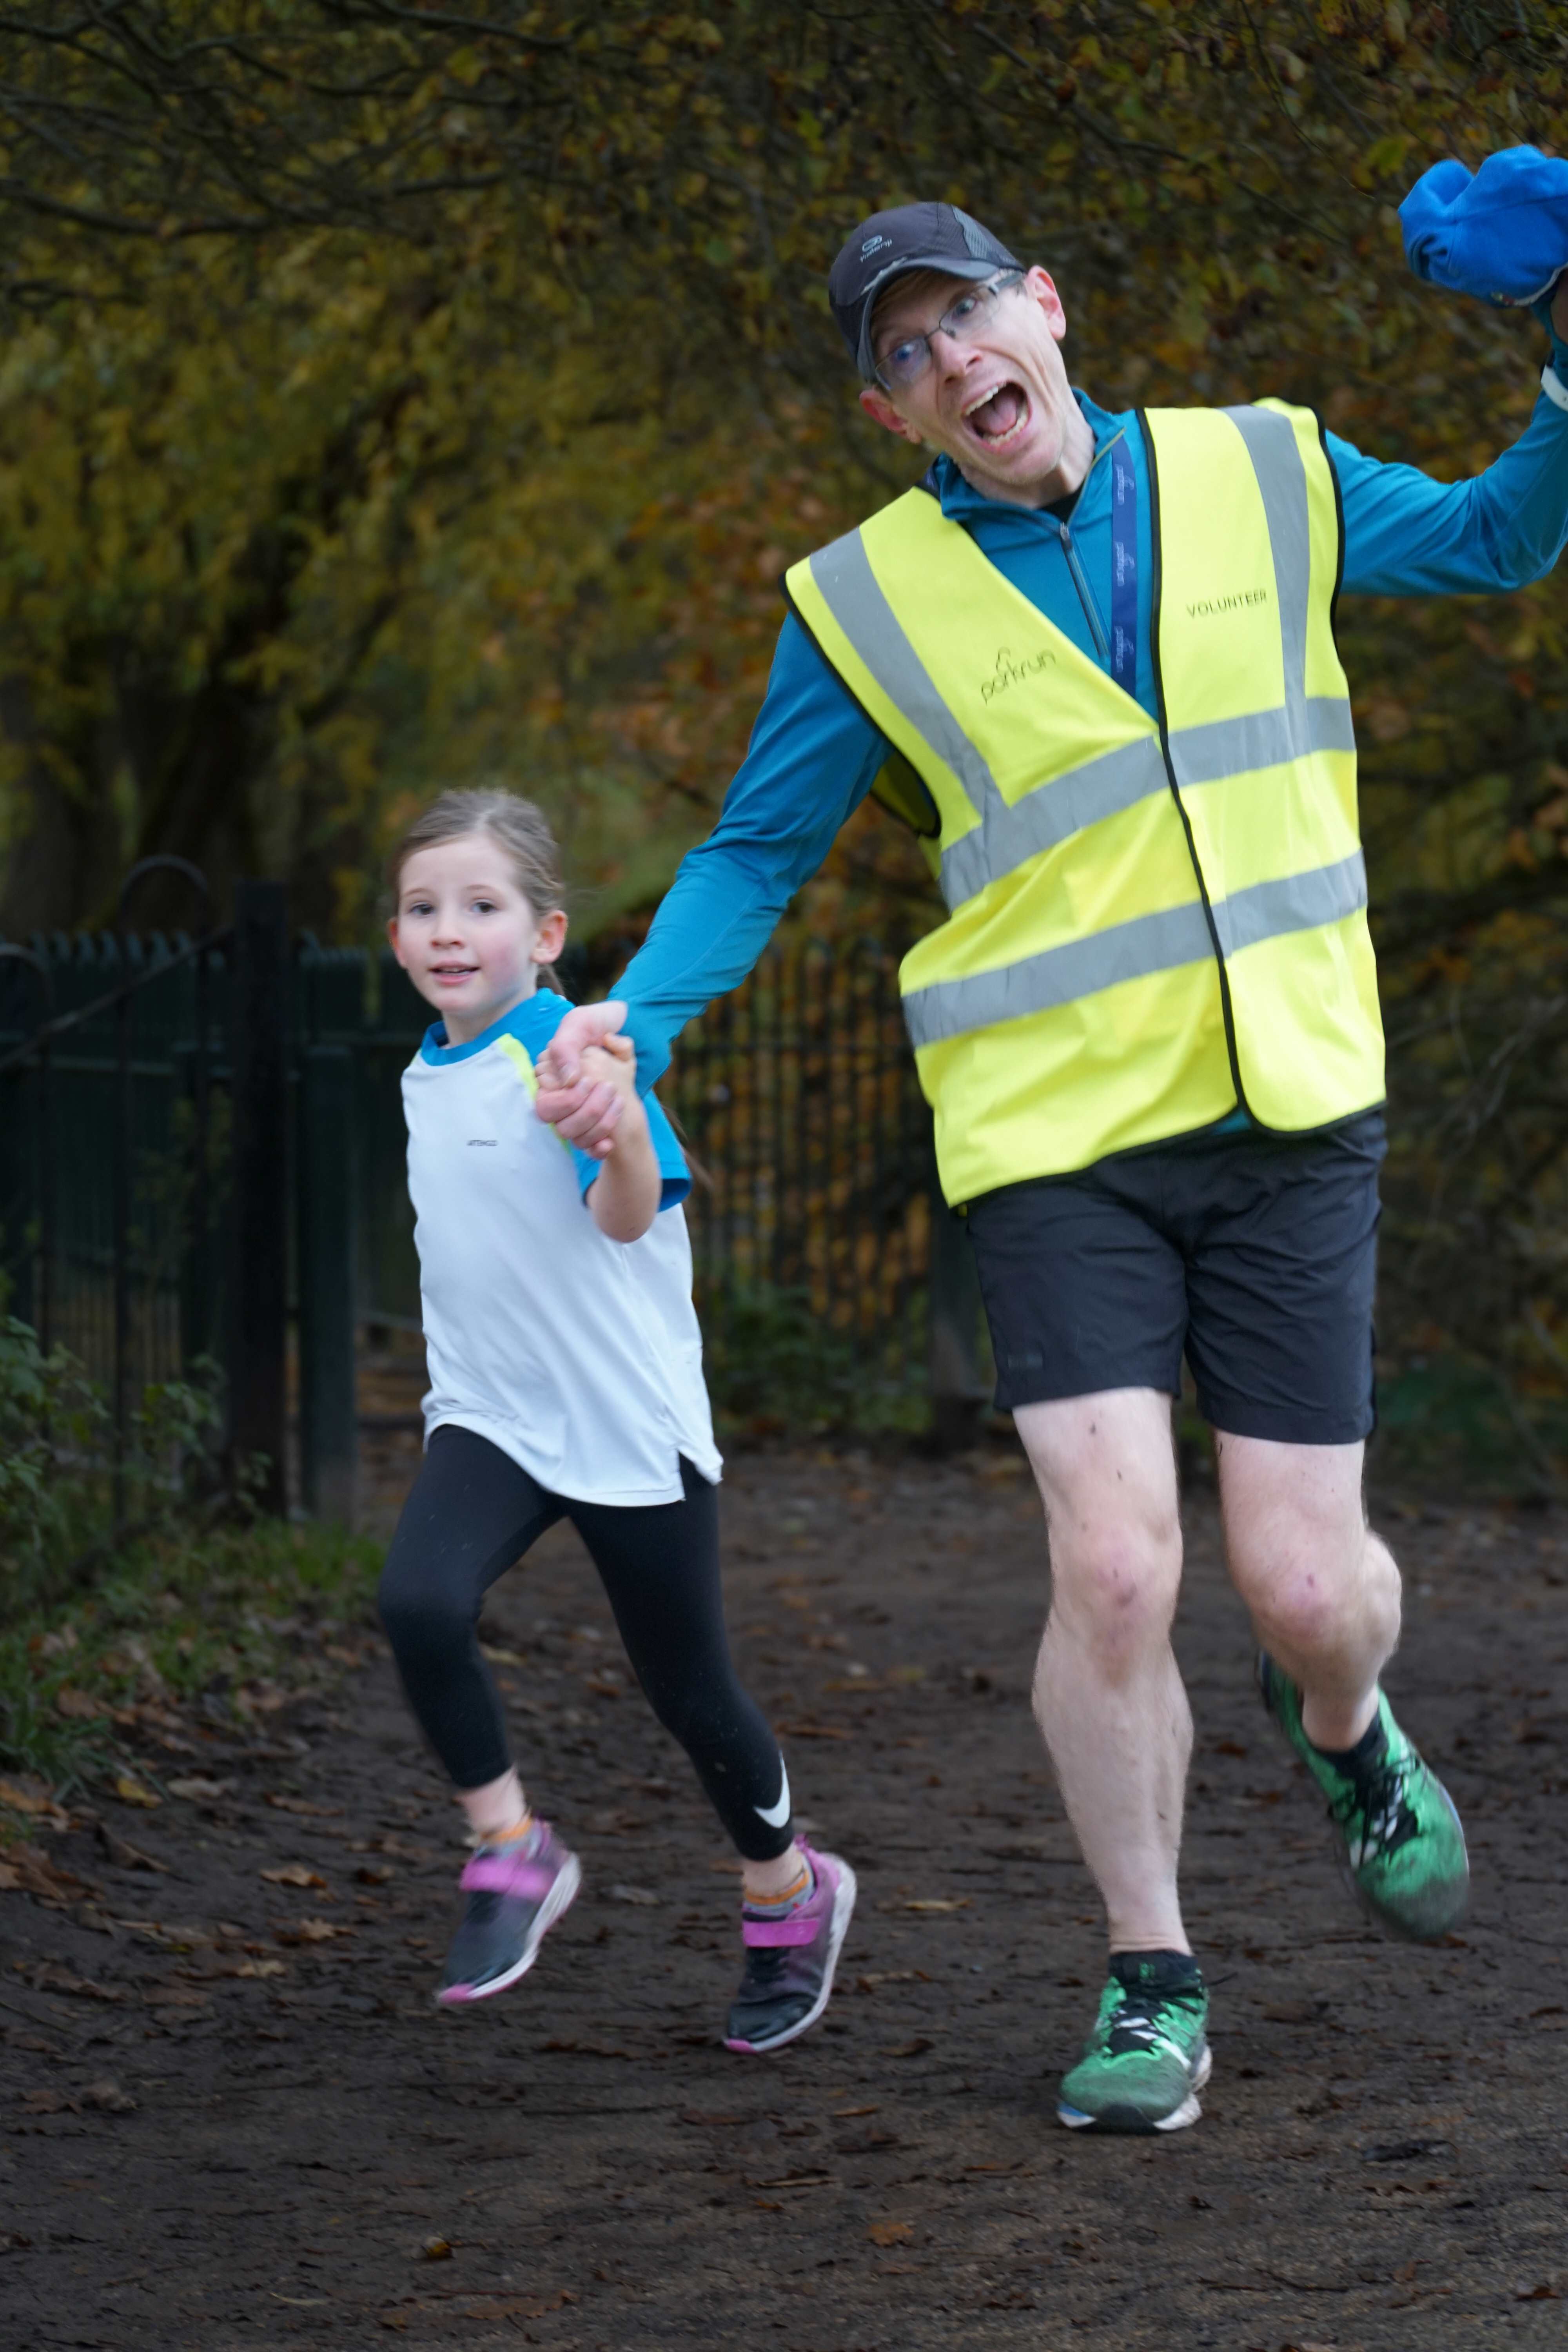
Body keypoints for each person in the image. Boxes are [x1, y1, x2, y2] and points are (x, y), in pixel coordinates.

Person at [534, 188, 1568, 2134]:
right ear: (891, 417)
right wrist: (626, 1027)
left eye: (966, 318)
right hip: (1054, 1143)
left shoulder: (1263, 469)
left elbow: (1508, 535)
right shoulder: (858, 601)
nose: (948, 363)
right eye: (903, 356)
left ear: (1049, 308)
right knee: (1111, 1567)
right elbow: (759, 852)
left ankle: (1338, 1725)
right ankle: (1151, 1976)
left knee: (1305, 1590)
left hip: (1287, 1109)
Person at [376, 786, 855, 2050]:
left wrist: (621, 1129)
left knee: (690, 1692)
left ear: (544, 934)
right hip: (489, 1416)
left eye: (480, 905)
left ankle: (789, 1895)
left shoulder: (572, 1054)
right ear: (396, 936)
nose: (446, 929)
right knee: (418, 1602)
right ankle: (511, 1850)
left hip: (625, 1419)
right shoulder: (422, 1071)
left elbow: (630, 1212)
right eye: (423, 907)